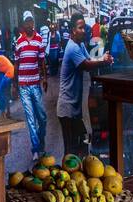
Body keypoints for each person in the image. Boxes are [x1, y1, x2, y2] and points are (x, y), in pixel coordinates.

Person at [57, 14, 112, 158]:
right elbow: (86, 65)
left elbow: (90, 59)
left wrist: (102, 58)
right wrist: (104, 61)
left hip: (74, 109)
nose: (84, 30)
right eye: (80, 28)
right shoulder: (72, 48)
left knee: (81, 145)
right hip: (66, 108)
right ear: (73, 30)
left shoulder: (80, 45)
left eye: (83, 27)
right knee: (71, 150)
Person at [13, 10, 49, 157]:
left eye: (31, 21)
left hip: (35, 84)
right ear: (23, 24)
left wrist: (45, 78)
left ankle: (41, 142)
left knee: (42, 117)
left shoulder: (39, 39)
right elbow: (16, 65)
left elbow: (41, 61)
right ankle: (35, 149)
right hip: (23, 86)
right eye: (27, 22)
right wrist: (15, 85)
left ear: (33, 23)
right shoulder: (19, 42)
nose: (29, 24)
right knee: (31, 118)